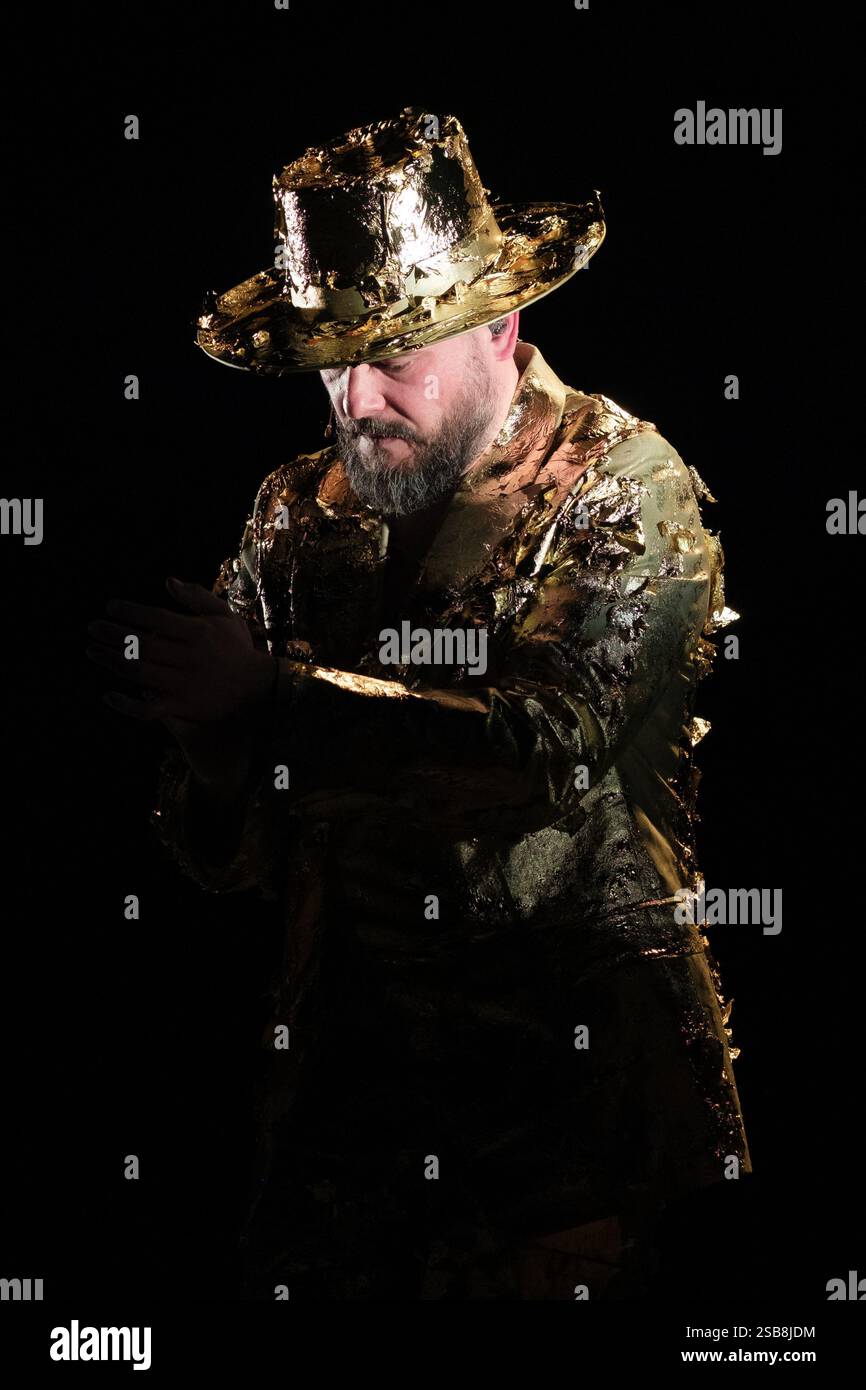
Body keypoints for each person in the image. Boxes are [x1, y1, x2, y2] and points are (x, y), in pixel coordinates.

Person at [86, 106, 751, 1300]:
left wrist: (268, 703)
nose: (355, 396)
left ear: (500, 324)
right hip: (344, 1146)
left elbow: (548, 751)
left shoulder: (623, 484)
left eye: (392, 353)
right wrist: (217, 749)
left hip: (579, 1148)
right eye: (330, 357)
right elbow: (228, 854)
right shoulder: (295, 512)